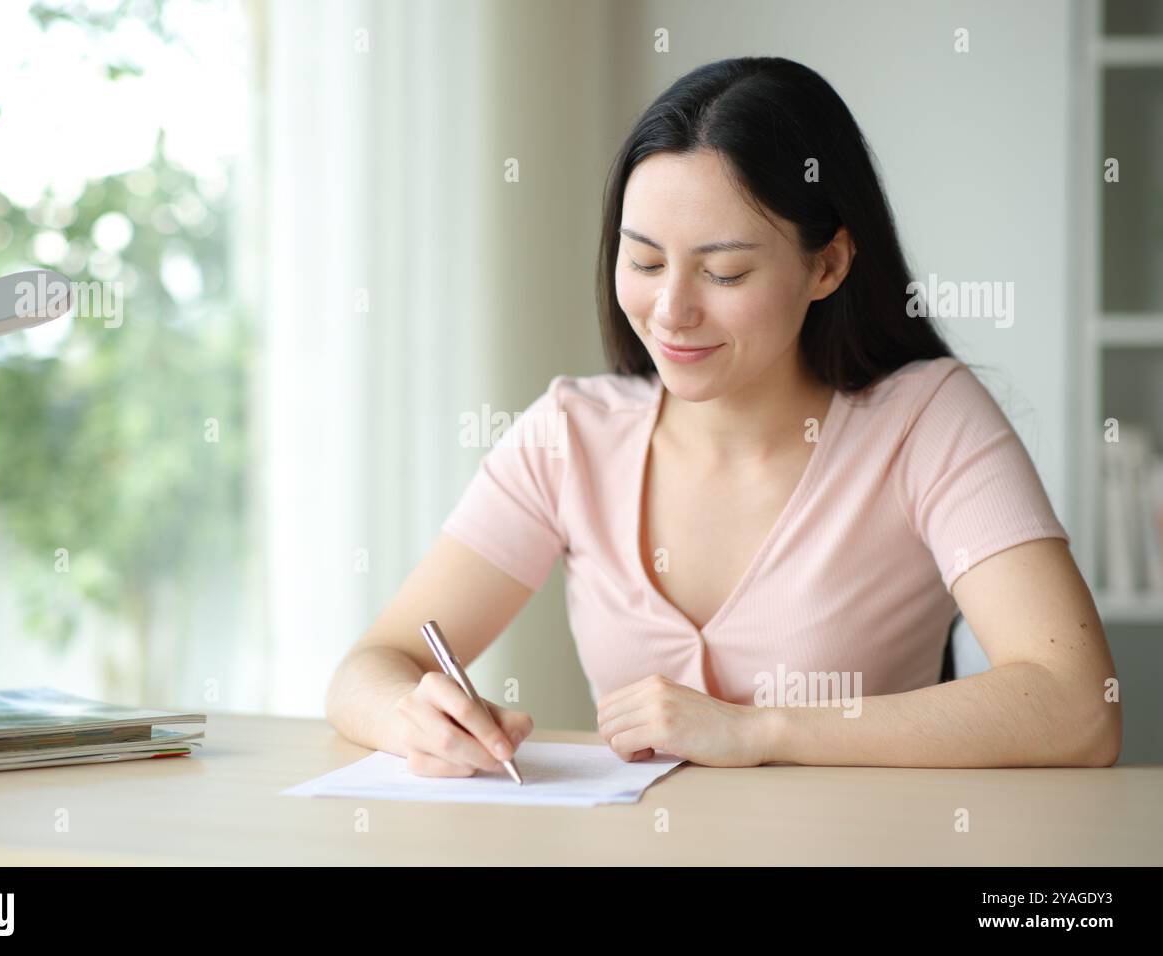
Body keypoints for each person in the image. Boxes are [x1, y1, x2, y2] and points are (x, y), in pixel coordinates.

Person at [324, 56, 1120, 775]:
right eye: (642, 260)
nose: (671, 311)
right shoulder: (571, 435)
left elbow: (1080, 705)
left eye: (725, 272)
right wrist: (414, 718)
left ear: (829, 263)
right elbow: (374, 663)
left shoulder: (926, 421)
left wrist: (758, 730)